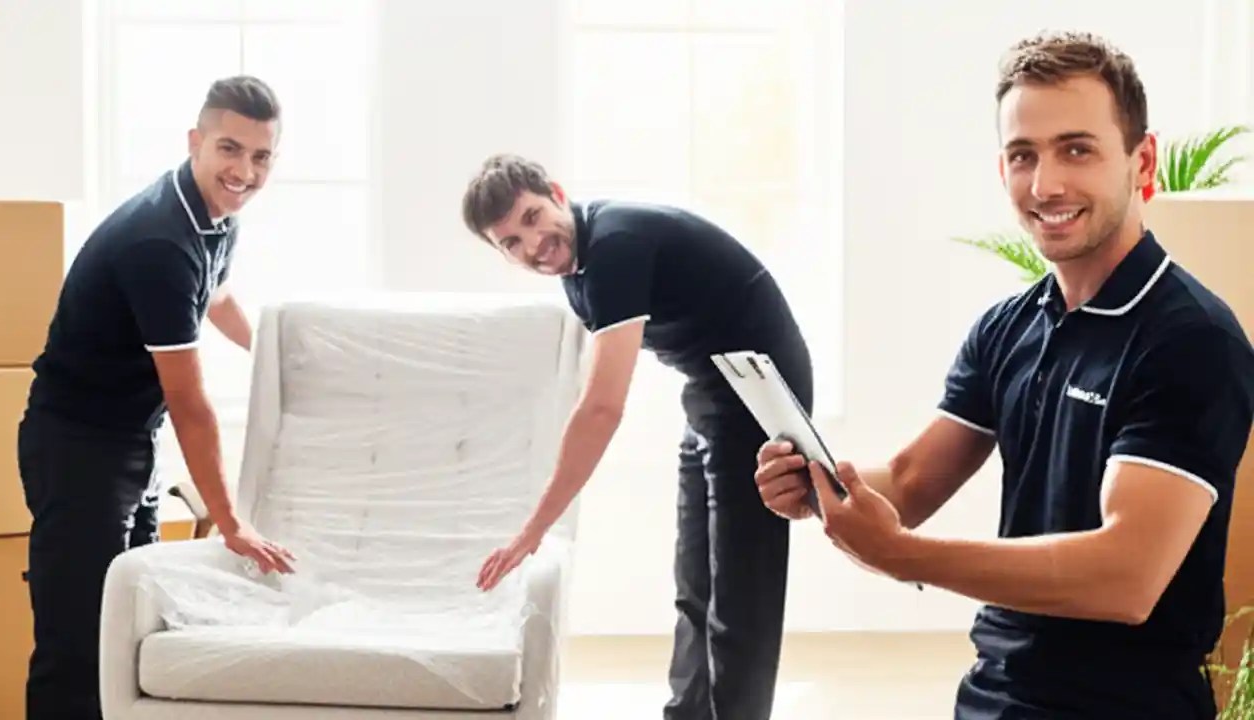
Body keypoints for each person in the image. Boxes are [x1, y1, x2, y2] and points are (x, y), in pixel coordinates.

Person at [754, 30, 1254, 719]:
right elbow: (909, 482)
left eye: (1076, 150)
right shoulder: (1007, 327)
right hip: (996, 696)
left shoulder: (1192, 339)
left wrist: (904, 555)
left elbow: (1126, 577)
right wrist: (816, 485)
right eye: (1024, 155)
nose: (1045, 185)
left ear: (1142, 161)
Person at [461, 154, 815, 720]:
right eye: (512, 243)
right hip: (710, 391)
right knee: (695, 586)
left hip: (759, 392)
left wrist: (532, 531)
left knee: (741, 593)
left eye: (532, 218)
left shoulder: (613, 247)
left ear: (556, 193)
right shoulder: (577, 273)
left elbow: (602, 408)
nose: (533, 245)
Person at [18, 75, 297, 720]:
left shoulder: (215, 216)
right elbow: (190, 403)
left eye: (261, 157)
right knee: (80, 639)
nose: (245, 171)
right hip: (79, 446)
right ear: (196, 141)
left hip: (131, 441)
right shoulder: (159, 244)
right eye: (230, 149)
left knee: (131, 624)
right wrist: (231, 523)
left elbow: (216, 296)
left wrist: (272, 356)